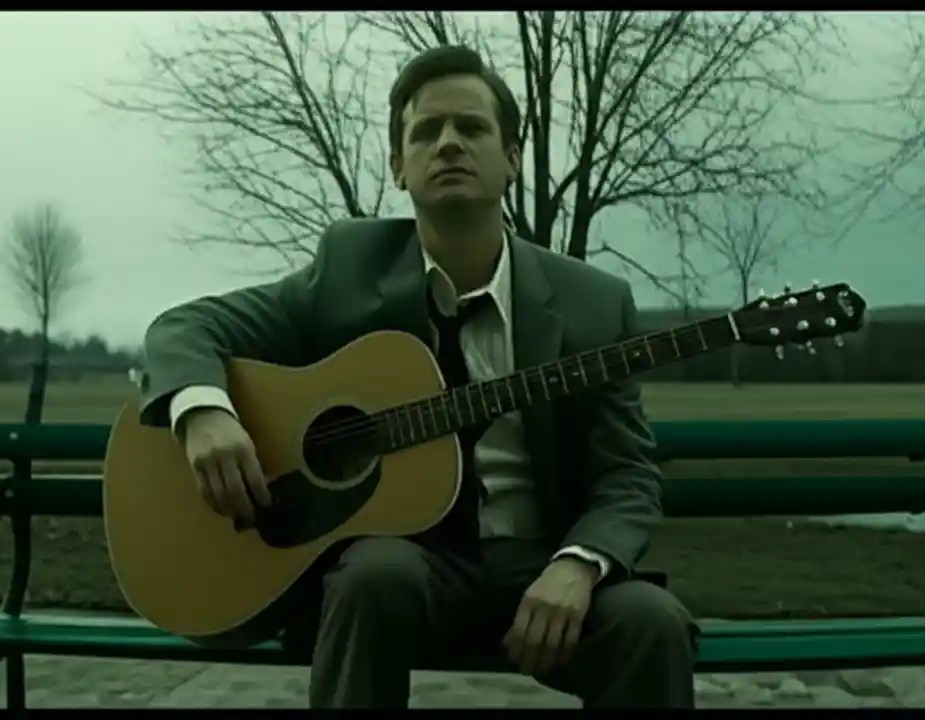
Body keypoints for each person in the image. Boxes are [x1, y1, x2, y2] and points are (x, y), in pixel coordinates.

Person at [137, 44, 697, 709]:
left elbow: (627, 476)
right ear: (399, 167)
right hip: (412, 569)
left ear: (512, 157)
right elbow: (184, 329)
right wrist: (203, 412)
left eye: (472, 127)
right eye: (426, 132)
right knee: (373, 575)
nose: (449, 144)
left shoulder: (593, 302)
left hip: (545, 563)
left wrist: (579, 565)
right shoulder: (348, 269)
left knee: (652, 625)